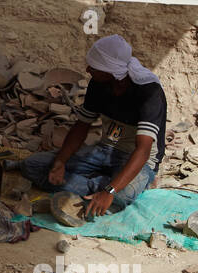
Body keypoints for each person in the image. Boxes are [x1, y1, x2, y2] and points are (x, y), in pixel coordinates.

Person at [20, 34, 165, 222]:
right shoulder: (99, 85)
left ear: (111, 71)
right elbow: (81, 127)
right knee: (33, 166)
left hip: (136, 159)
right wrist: (60, 162)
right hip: (104, 150)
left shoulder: (149, 92)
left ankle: (109, 188)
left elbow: (143, 150)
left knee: (123, 194)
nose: (88, 69)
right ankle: (98, 188)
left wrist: (111, 190)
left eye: (94, 67)